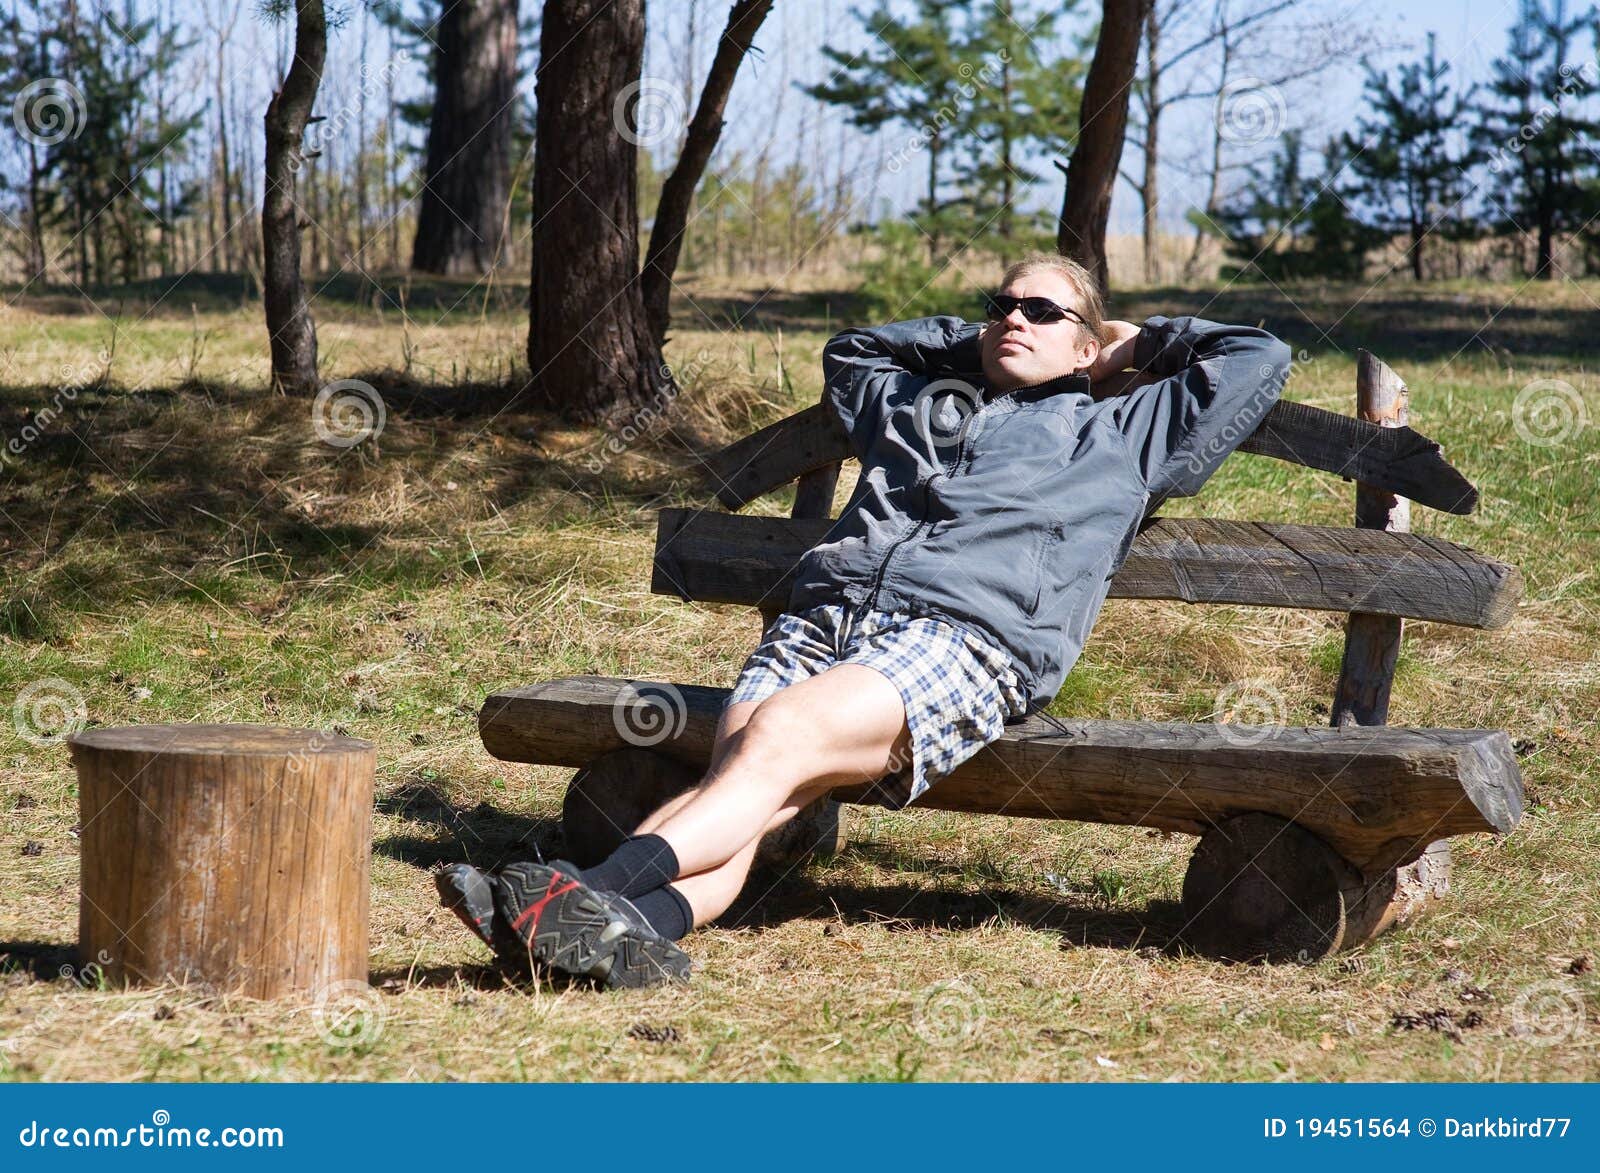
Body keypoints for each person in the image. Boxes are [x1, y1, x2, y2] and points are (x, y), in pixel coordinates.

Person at [436, 251, 1291, 989]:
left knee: (772, 742)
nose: (1013, 320)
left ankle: (584, 894)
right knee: (746, 781)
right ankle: (630, 937)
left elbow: (1258, 357)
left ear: (1087, 343)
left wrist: (1138, 345)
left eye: (1041, 311)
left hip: (966, 637)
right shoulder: (915, 404)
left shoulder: (1125, 428)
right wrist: (976, 342)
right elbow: (852, 349)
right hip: (826, 619)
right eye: (1001, 306)